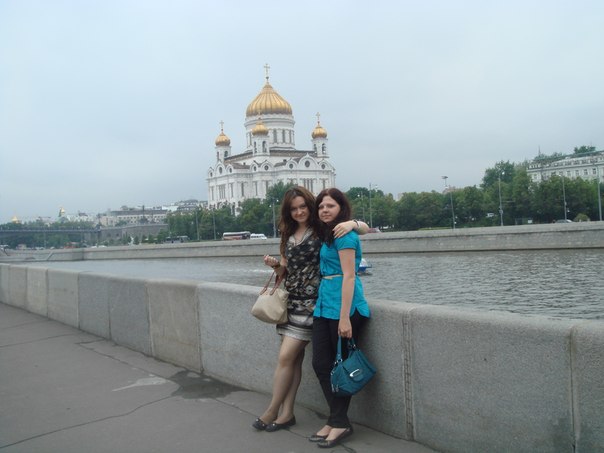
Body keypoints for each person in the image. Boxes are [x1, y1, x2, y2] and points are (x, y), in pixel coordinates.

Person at [252, 186, 367, 433]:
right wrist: (275, 266)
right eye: (294, 209)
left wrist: (353, 223)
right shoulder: (287, 234)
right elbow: (285, 271)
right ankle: (287, 413)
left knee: (286, 357)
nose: (299, 212)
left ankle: (272, 409)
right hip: (291, 303)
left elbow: (361, 231)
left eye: (303, 206)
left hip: (313, 303)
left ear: (310, 206)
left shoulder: (321, 229)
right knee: (293, 361)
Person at [310, 188, 371, 448]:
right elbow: (364, 227)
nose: (324, 210)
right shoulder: (328, 233)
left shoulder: (345, 235)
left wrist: (345, 318)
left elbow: (349, 276)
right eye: (321, 206)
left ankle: (339, 422)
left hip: (345, 307)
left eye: (330, 206)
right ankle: (337, 419)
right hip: (324, 305)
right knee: (320, 364)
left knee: (339, 366)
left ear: (341, 208)